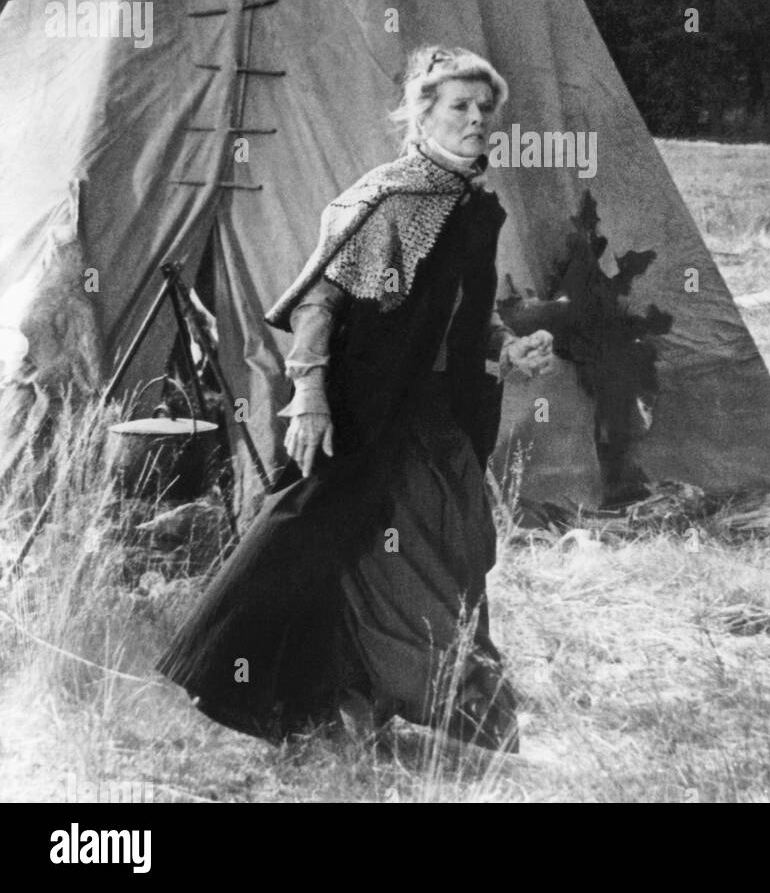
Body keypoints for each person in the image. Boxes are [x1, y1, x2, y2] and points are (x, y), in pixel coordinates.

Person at [157, 45, 555, 752]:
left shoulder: (475, 208)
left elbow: (462, 316)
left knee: (451, 551)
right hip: (367, 411)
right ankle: (369, 701)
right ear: (420, 114)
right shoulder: (388, 198)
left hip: (438, 417)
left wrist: (505, 350)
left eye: (483, 109)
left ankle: (388, 697)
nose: (476, 121)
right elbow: (319, 302)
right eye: (459, 107)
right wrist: (308, 396)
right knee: (355, 546)